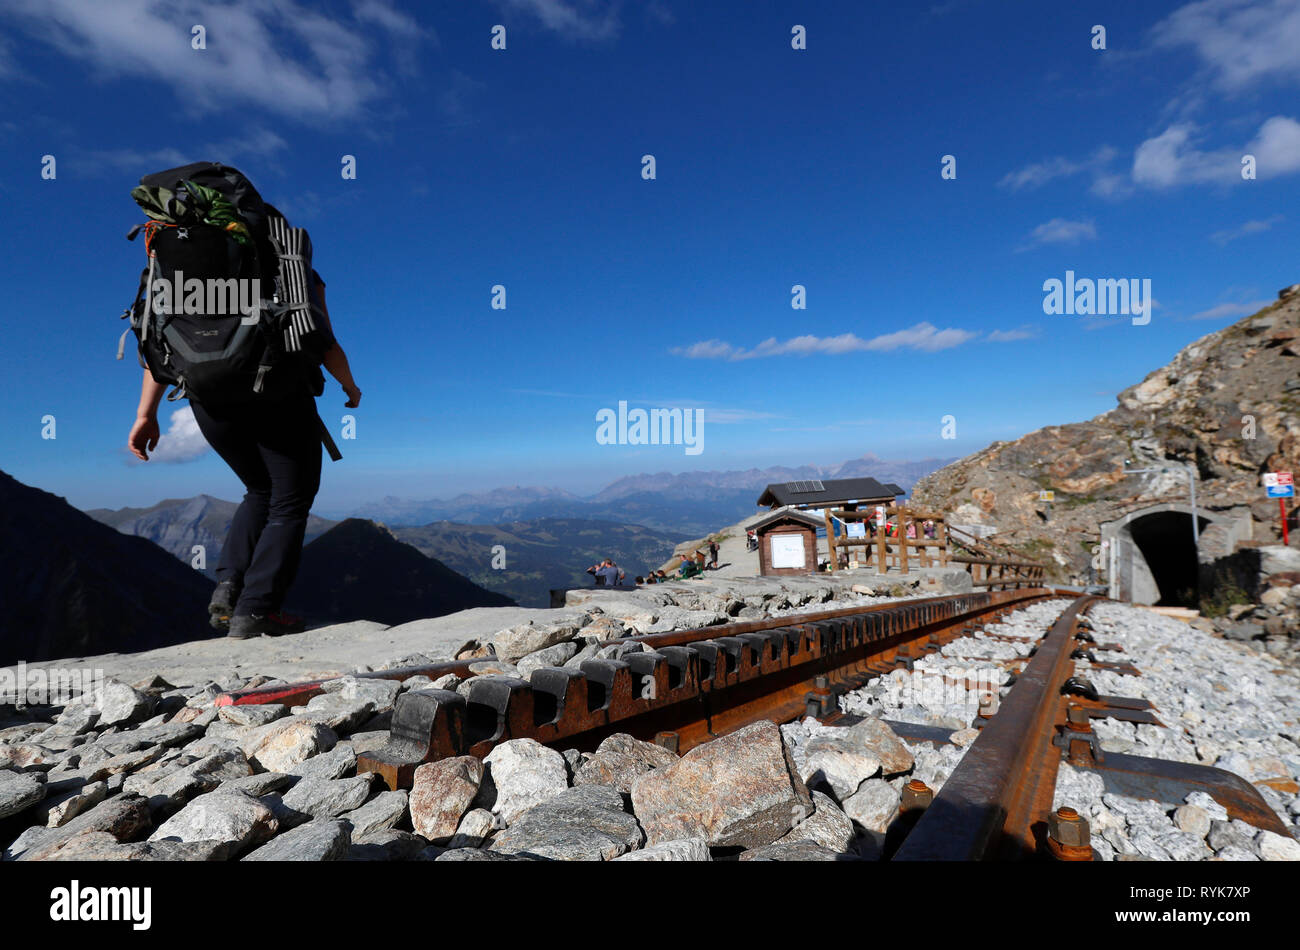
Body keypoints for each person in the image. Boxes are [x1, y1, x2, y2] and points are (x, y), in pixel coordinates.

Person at [129, 267, 361, 639]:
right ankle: (256, 610)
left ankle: (229, 587)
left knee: (259, 488)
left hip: (208, 402)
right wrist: (349, 385)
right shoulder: (285, 260)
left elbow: (157, 348)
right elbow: (321, 337)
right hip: (277, 391)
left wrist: (146, 414)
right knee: (290, 498)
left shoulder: (175, 272)